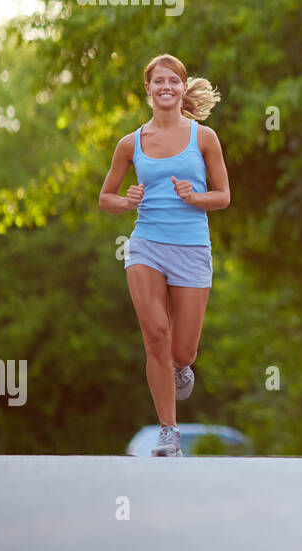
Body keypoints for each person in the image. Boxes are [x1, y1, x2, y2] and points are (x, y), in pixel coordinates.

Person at [98, 54, 230, 457]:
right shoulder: (130, 143)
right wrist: (127, 201)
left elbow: (224, 196)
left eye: (174, 80)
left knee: (181, 350)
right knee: (155, 334)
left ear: (182, 87)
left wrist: (196, 196)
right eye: (159, 81)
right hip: (146, 245)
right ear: (148, 89)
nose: (166, 87)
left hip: (191, 247)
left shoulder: (203, 137)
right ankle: (168, 432)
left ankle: (182, 366)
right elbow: (106, 198)